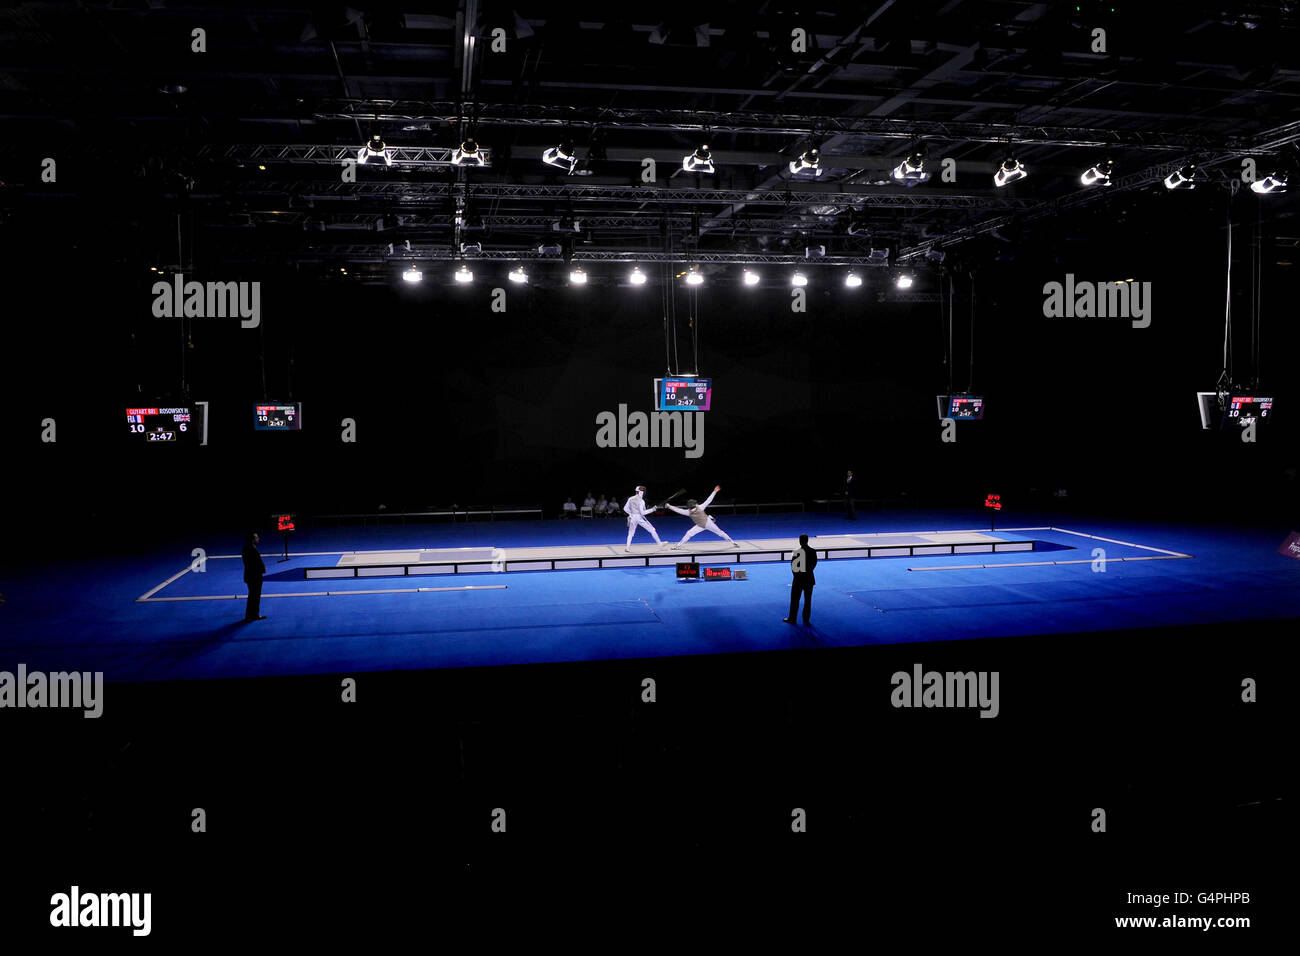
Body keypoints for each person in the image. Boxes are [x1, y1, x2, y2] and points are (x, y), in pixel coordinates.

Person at [667, 485, 736, 548]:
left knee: (719, 532)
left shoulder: (689, 511)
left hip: (708, 523)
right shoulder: (698, 508)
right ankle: (678, 546)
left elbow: (678, 510)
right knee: (689, 533)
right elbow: (708, 500)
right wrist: (714, 491)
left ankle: (733, 542)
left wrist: (669, 506)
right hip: (700, 525)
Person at [784, 533, 818, 624]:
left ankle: (792, 618)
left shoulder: (797, 552)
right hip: (809, 579)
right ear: (807, 541)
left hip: (798, 579)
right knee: (808, 600)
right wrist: (808, 572)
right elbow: (814, 564)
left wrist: (797, 576)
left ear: (800, 541)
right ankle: (806, 619)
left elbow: (793, 567)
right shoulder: (813, 551)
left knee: (795, 600)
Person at [623, 485, 664, 550]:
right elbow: (643, 513)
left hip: (632, 517)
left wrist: (630, 514)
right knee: (652, 530)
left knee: (630, 533)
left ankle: (627, 548)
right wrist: (652, 509)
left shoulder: (630, 498)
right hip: (639, 517)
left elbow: (625, 508)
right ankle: (660, 544)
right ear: (640, 492)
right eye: (643, 491)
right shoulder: (641, 501)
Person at [242, 531, 267, 621]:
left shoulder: (245, 548)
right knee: (255, 596)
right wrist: (263, 569)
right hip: (255, 576)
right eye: (256, 538)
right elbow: (256, 562)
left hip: (249, 575)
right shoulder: (253, 549)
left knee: (252, 596)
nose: (258, 539)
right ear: (252, 539)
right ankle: (254, 615)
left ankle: (249, 615)